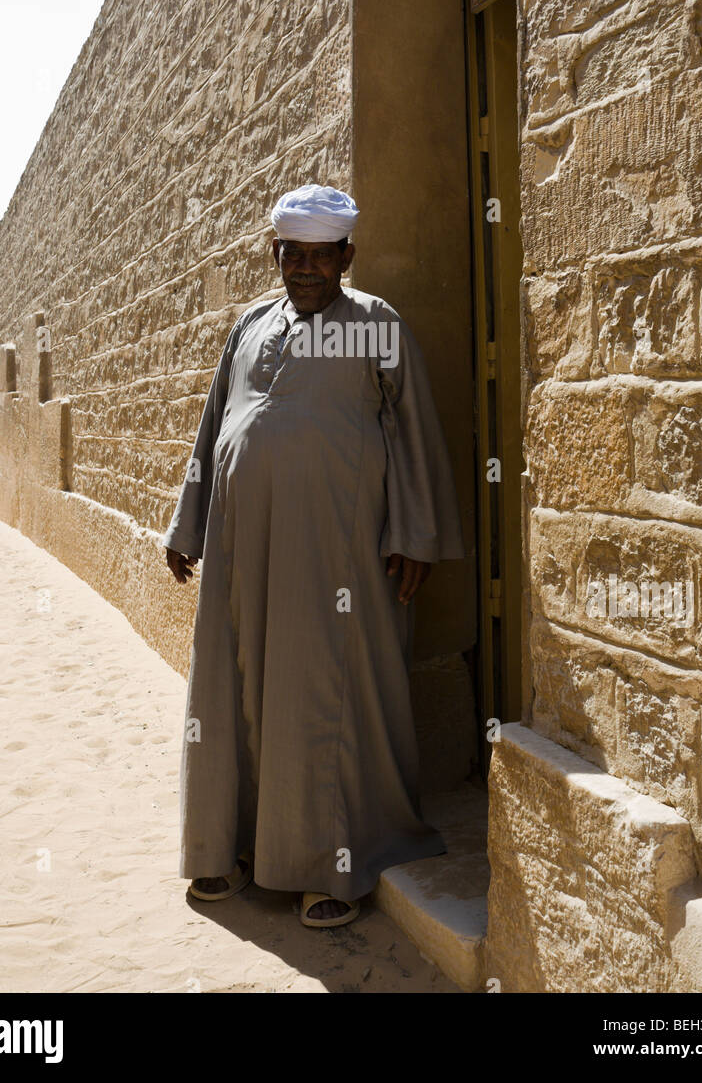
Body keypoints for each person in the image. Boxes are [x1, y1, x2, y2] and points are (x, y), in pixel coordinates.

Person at [164, 183, 464, 927]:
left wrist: (415, 536)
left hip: (337, 553)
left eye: (318, 256)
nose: (302, 268)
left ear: (345, 256)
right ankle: (229, 846)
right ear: (277, 254)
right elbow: (214, 429)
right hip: (240, 548)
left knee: (318, 695)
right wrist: (188, 524)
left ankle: (331, 868)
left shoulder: (373, 325)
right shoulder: (249, 325)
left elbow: (415, 433)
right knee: (234, 691)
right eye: (289, 254)